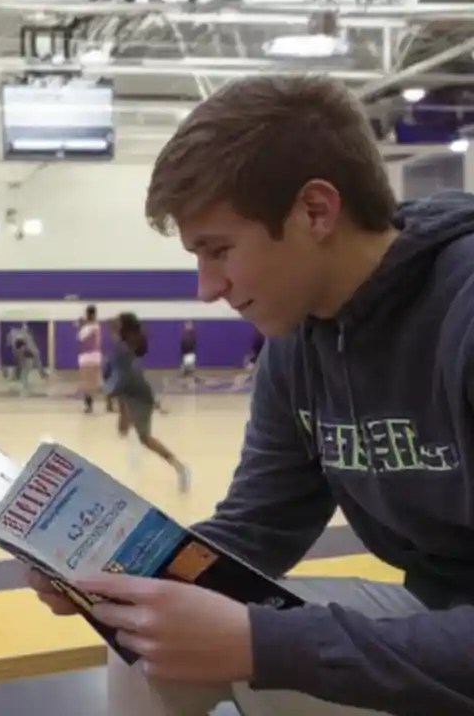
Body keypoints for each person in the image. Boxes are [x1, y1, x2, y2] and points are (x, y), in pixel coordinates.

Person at [26, 74, 474, 715]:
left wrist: (268, 644)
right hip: (434, 615)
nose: (207, 287)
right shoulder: (298, 342)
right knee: (149, 639)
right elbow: (258, 527)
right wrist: (118, 578)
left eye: (219, 250)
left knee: (259, 643)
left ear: (316, 212)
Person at [109, 312, 191, 491]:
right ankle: (136, 453)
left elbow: (127, 378)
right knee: (124, 431)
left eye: (117, 323)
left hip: (137, 397)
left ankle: (180, 467)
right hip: (133, 393)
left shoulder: (123, 350)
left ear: (124, 328)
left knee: (144, 438)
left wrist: (120, 402)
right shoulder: (125, 348)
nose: (112, 325)